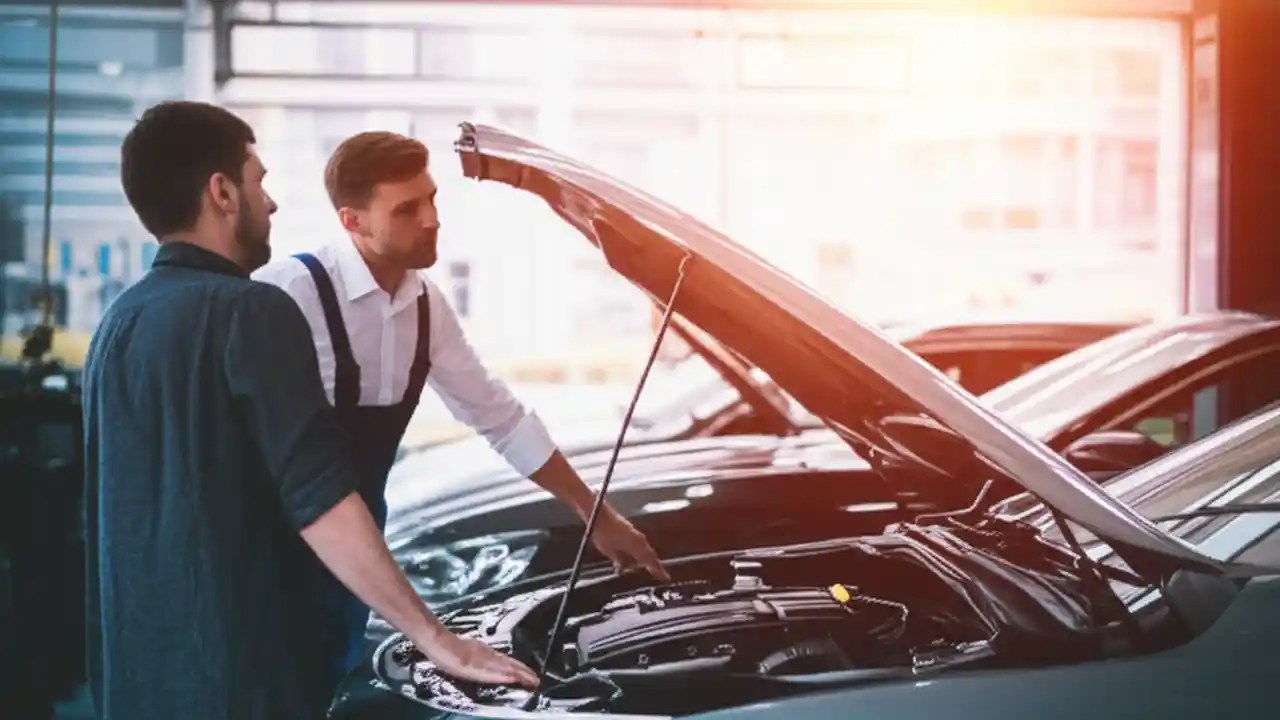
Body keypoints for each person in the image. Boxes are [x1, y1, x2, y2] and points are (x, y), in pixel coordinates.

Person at [82, 101, 538, 720]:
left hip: (139, 679)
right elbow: (320, 496)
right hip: (245, 677)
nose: (270, 204)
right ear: (221, 192)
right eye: (259, 181)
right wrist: (435, 638)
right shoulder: (251, 311)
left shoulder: (119, 324)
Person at [252, 130, 670, 684]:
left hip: (360, 551)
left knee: (335, 689)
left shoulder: (426, 306)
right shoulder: (285, 294)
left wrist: (596, 514)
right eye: (407, 209)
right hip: (265, 555)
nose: (431, 220)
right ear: (353, 221)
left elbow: (499, 416)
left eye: (432, 199)